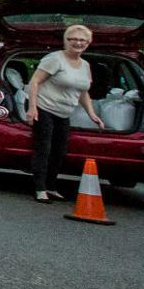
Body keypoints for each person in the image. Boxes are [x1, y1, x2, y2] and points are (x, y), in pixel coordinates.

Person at [24, 24, 104, 203]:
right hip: (44, 107)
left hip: (64, 112)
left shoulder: (85, 65)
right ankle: (40, 189)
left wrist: (92, 113)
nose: (77, 43)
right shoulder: (54, 59)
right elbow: (34, 82)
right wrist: (32, 108)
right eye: (73, 39)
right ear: (65, 41)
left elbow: (83, 91)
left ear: (88, 43)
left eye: (82, 40)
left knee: (59, 151)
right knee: (43, 148)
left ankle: (51, 186)